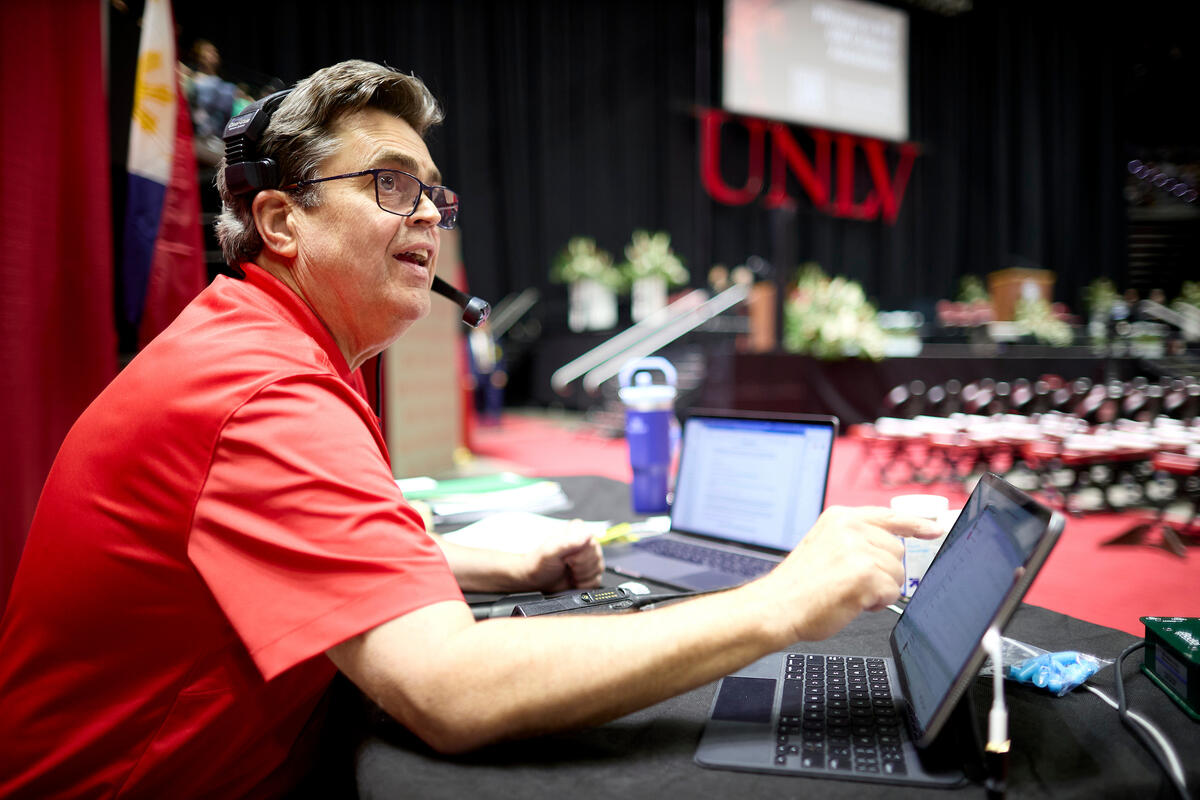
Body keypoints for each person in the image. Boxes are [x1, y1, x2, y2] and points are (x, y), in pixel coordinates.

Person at [0, 60, 940, 798]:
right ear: (282, 221)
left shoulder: (254, 344)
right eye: (392, 185)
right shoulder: (264, 390)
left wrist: (443, 561)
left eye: (435, 196)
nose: (429, 219)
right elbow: (453, 691)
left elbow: (233, 573)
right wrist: (781, 603)